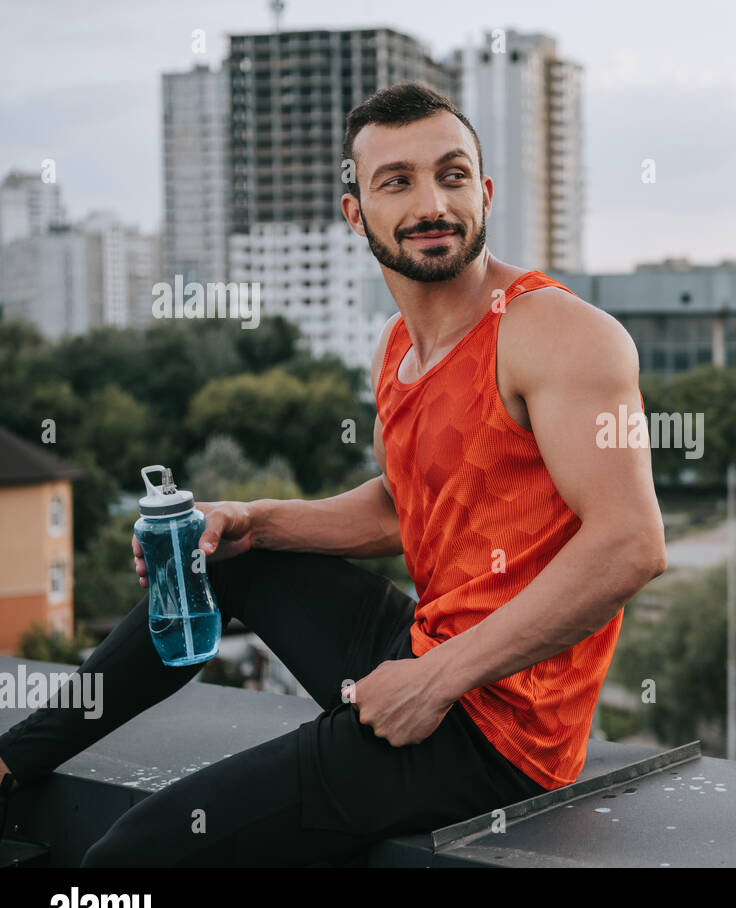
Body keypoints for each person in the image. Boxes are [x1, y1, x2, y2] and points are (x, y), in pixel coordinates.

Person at [0, 82, 667, 866]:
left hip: (496, 731)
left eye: (452, 176)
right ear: (356, 214)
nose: (432, 202)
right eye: (397, 181)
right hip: (425, 647)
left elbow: (630, 544)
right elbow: (403, 506)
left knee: (127, 861)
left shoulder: (555, 334)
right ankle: (13, 760)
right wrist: (254, 518)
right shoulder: (399, 346)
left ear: (484, 194)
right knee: (221, 558)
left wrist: (434, 679)